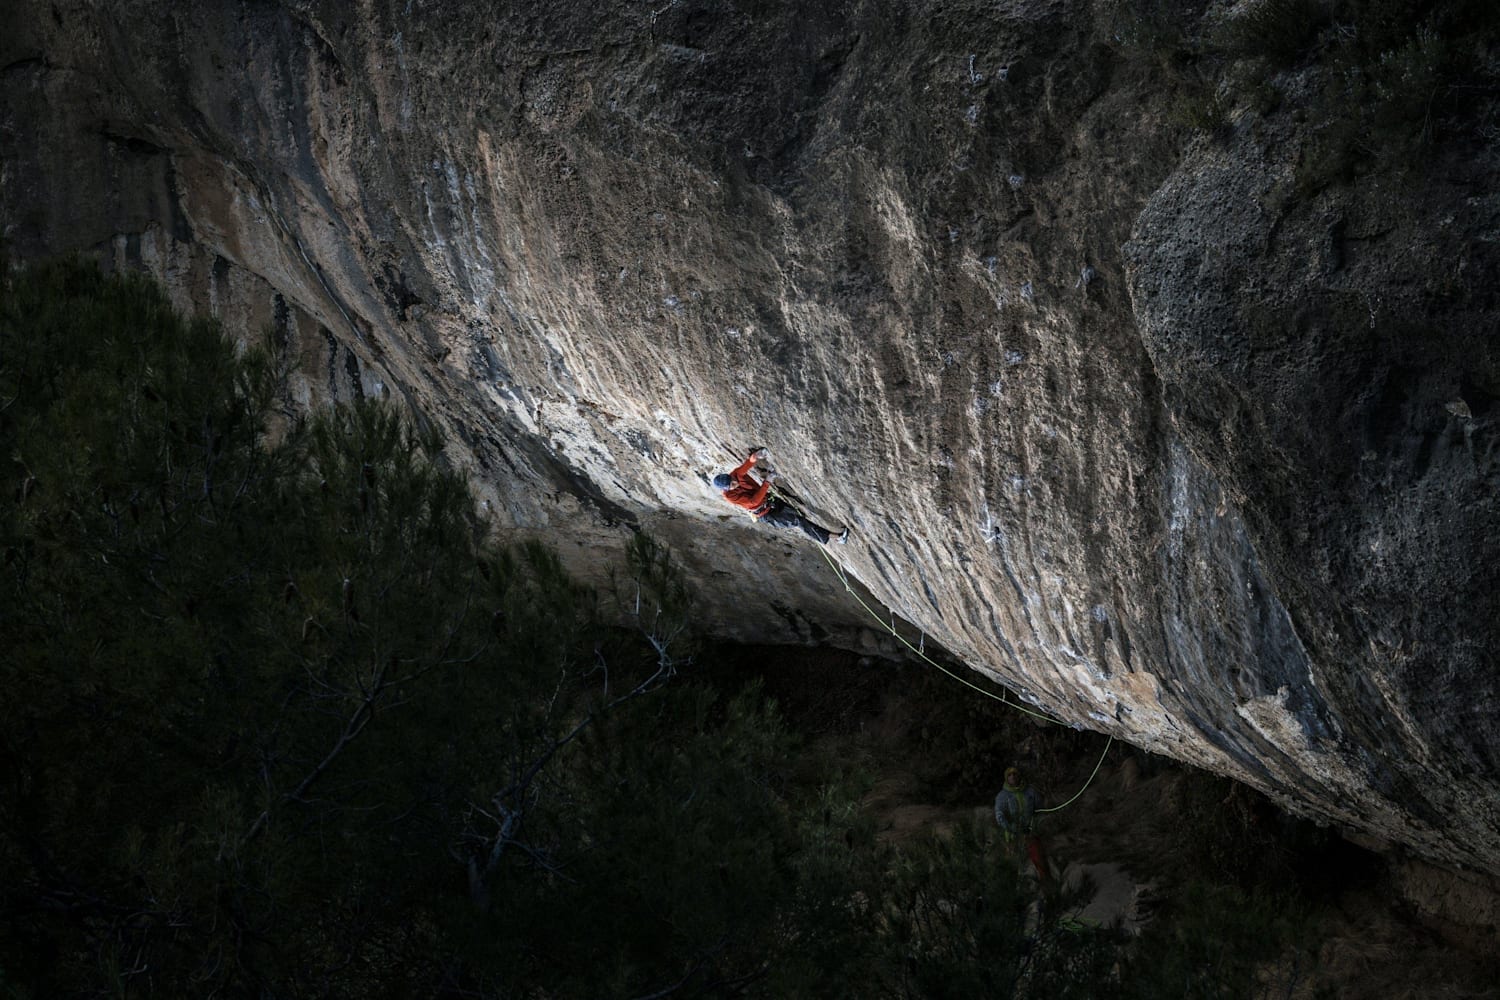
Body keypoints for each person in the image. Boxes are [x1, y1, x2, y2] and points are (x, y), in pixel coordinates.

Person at [712, 448, 848, 546]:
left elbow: (745, 466)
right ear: (726, 489)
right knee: (798, 521)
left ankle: (835, 536)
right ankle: (837, 538)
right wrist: (768, 481)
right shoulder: (730, 496)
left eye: (732, 481)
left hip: (771, 501)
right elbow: (753, 501)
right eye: (731, 485)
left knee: (799, 515)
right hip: (766, 514)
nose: (735, 484)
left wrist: (756, 456)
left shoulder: (735, 475)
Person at [995, 765, 1050, 884]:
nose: (1012, 776)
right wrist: (1012, 828)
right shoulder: (1002, 796)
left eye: (1014, 774)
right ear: (1006, 778)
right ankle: (1013, 892)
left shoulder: (1030, 791)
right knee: (1013, 865)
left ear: (1019, 776)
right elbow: (999, 817)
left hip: (1030, 832)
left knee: (1039, 860)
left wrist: (1035, 823)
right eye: (1009, 775)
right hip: (1013, 836)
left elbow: (1040, 809)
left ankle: (1046, 886)